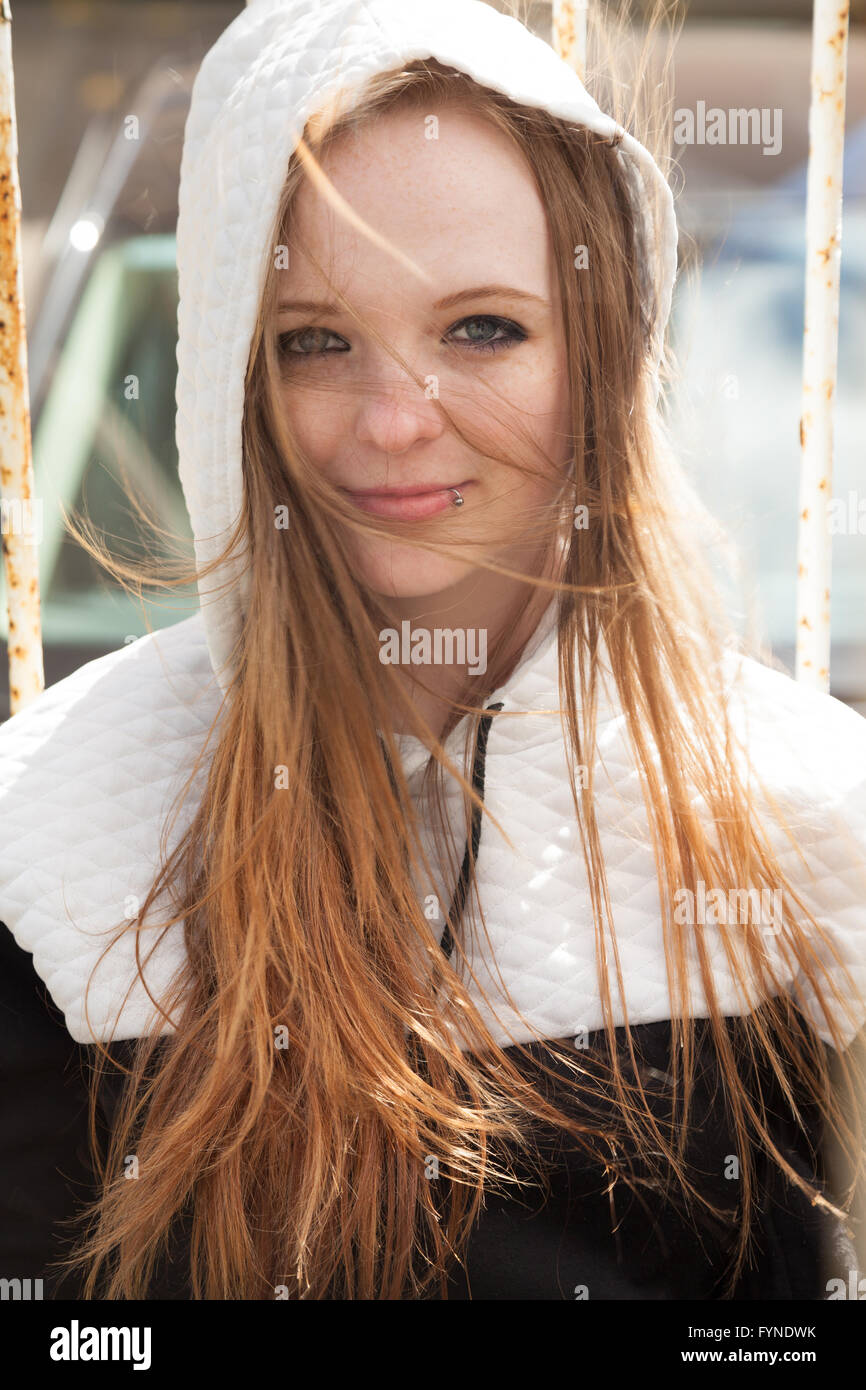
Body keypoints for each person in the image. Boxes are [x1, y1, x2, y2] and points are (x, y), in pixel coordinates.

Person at [1, 0, 865, 1301]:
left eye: (482, 329)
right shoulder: (50, 831)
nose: (397, 421)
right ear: (232, 378)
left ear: (606, 352)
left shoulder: (808, 822)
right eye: (315, 341)